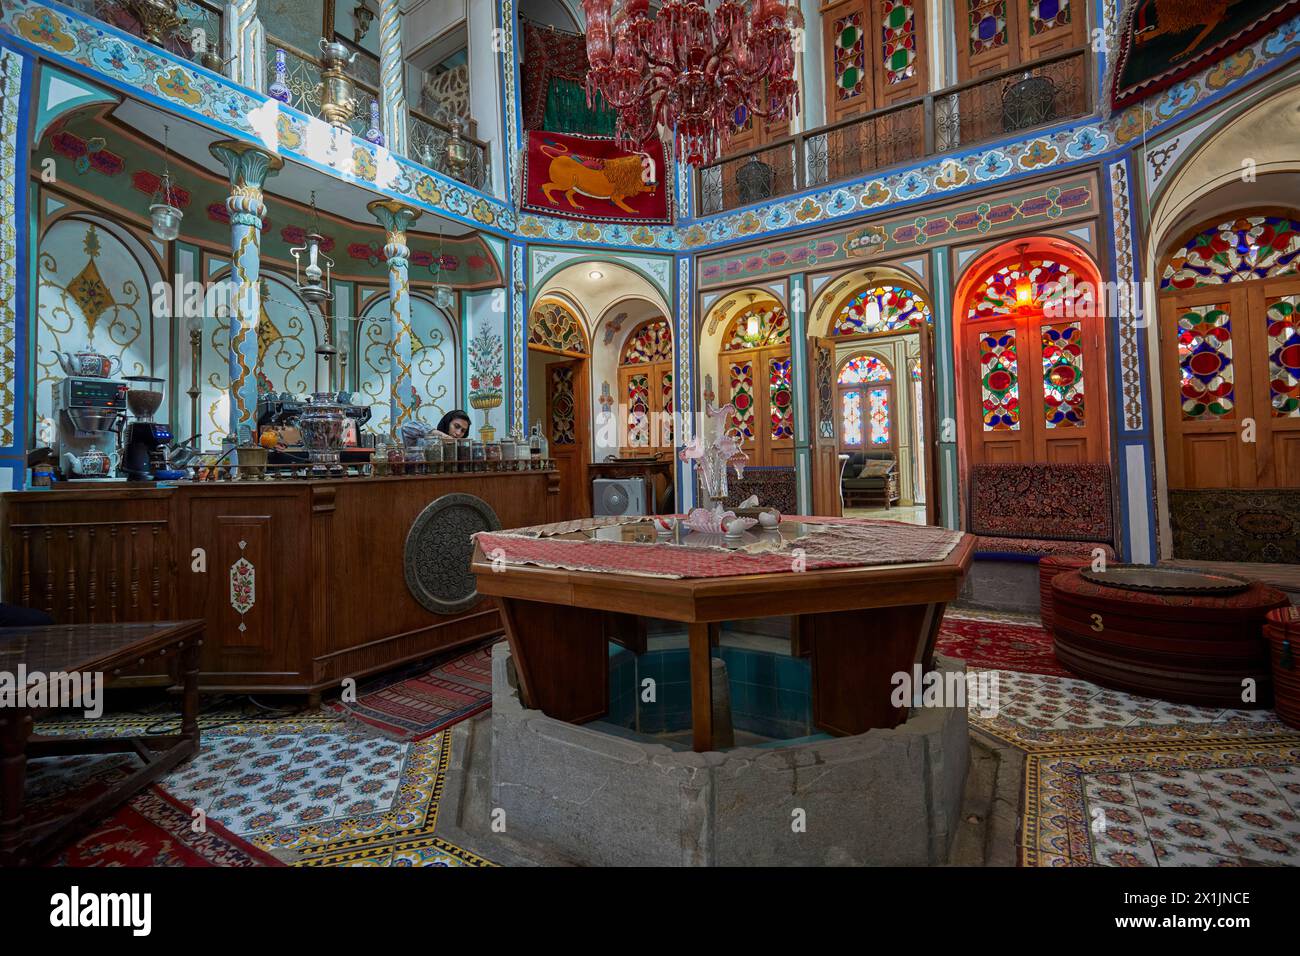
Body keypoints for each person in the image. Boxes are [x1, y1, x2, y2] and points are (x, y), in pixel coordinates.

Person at [400, 409, 472, 446]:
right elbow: (406, 427)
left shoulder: (461, 451)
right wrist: (442, 436)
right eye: (456, 426)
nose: (458, 433)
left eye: (463, 431)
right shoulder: (426, 442)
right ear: (447, 423)